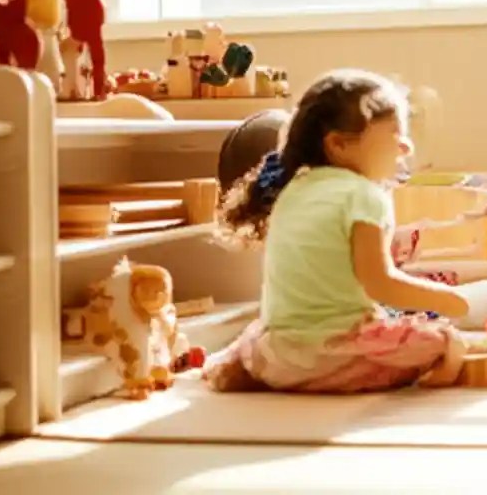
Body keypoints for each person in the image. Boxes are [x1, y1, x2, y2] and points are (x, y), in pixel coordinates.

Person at [201, 69, 469, 393]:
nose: (406, 148)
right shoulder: (364, 195)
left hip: (279, 355)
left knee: (260, 333)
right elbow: (379, 283)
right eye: (395, 135)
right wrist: (450, 300)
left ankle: (249, 367)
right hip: (336, 355)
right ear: (339, 145)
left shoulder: (293, 191)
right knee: (444, 340)